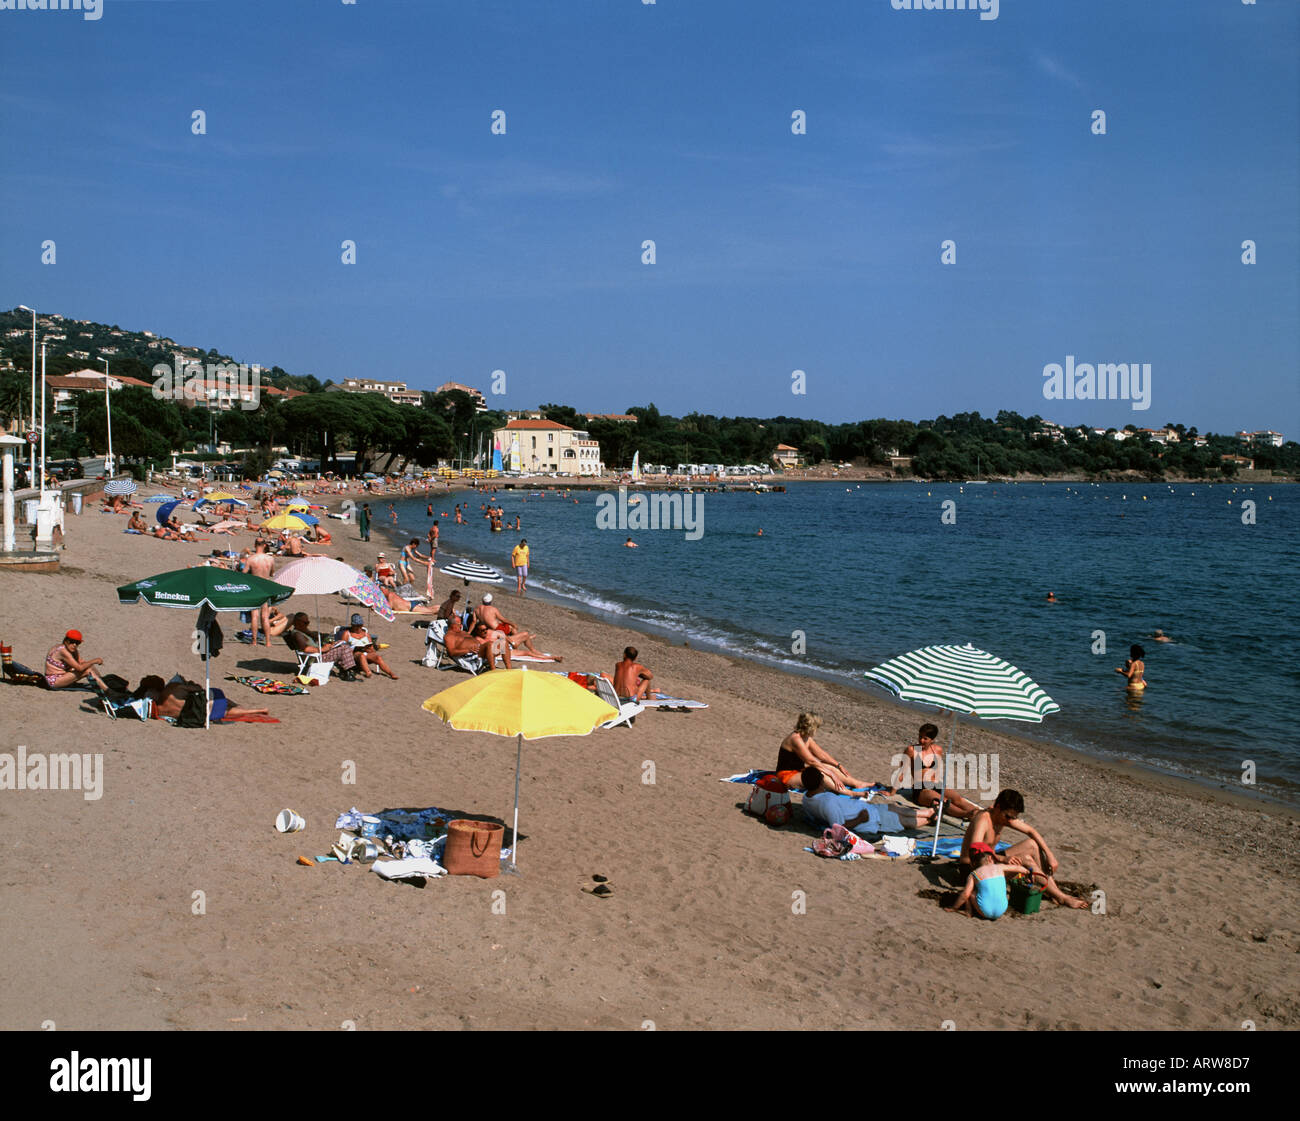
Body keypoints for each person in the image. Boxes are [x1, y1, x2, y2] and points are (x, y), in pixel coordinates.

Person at [959, 790, 1087, 909]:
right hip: (972, 869)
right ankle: (1061, 897)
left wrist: (1050, 855)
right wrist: (1003, 858)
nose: (1010, 820)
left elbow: (1031, 831)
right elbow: (976, 849)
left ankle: (1052, 889)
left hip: (991, 860)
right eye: (1008, 816)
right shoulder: (983, 819)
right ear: (997, 807)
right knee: (1026, 860)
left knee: (1032, 844)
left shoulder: (1002, 817)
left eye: (1013, 817)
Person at [799, 766, 935, 833]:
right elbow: (839, 828)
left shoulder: (806, 799)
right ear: (821, 782)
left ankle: (929, 812)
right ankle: (929, 819)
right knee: (904, 821)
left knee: (895, 808)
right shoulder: (827, 801)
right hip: (869, 820)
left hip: (868, 809)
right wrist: (860, 819)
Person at [895, 722, 981, 819]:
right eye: (920, 736)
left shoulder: (938, 750)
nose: (921, 740)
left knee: (957, 799)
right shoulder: (912, 750)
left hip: (935, 784)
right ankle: (967, 815)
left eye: (925, 738)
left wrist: (942, 787)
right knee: (943, 801)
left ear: (932, 740)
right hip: (920, 789)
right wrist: (892, 792)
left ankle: (980, 813)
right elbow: (901, 772)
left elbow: (936, 772)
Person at [775, 712, 871, 793]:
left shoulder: (806, 737)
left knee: (829, 767)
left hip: (799, 771)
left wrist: (838, 765)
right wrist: (832, 775)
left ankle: (856, 783)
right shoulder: (796, 739)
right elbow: (811, 761)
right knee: (821, 775)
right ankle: (850, 793)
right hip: (786, 775)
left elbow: (822, 755)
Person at [945, 841, 1030, 920]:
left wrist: (954, 908)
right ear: (990, 858)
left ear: (972, 863)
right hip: (1002, 910)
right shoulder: (1000, 867)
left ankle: (968, 911)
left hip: (985, 912)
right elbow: (1017, 868)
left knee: (971, 893)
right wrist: (1028, 873)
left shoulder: (974, 874)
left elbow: (965, 894)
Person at [134, 675, 270, 721]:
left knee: (222, 711)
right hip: (198, 706)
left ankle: (250, 711)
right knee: (216, 700)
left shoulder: (157, 709)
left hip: (191, 714)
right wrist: (189, 684)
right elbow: (198, 689)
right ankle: (253, 711)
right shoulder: (173, 688)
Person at [477, 593, 561, 661]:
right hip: (503, 650)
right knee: (527, 653)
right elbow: (484, 650)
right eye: (483, 630)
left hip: (505, 643)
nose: (485, 631)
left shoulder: (490, 631)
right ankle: (551, 657)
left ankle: (530, 646)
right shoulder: (478, 639)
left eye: (485, 629)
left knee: (525, 634)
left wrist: (511, 642)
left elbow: (502, 636)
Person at [283, 613, 359, 680]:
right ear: (298, 623)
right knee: (344, 648)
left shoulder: (301, 632)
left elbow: (313, 635)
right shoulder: (298, 635)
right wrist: (322, 649)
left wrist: (307, 631)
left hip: (318, 654)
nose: (307, 624)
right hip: (315, 658)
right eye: (306, 623)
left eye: (308, 622)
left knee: (341, 642)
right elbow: (305, 649)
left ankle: (345, 669)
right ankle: (348, 671)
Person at [337, 614, 398, 680]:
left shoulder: (366, 634)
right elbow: (341, 647)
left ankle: (391, 674)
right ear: (352, 625)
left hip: (366, 653)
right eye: (356, 626)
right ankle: (368, 672)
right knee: (361, 655)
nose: (358, 628)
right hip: (353, 655)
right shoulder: (347, 634)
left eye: (360, 626)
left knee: (378, 657)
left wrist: (370, 649)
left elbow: (372, 650)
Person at [241, 540, 276, 648]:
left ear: (254, 545)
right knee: (265, 616)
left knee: (254, 615)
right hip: (265, 587)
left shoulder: (251, 559)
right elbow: (272, 573)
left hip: (255, 587)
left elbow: (244, 574)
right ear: (265, 545)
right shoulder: (270, 559)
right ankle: (268, 642)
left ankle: (254, 641)